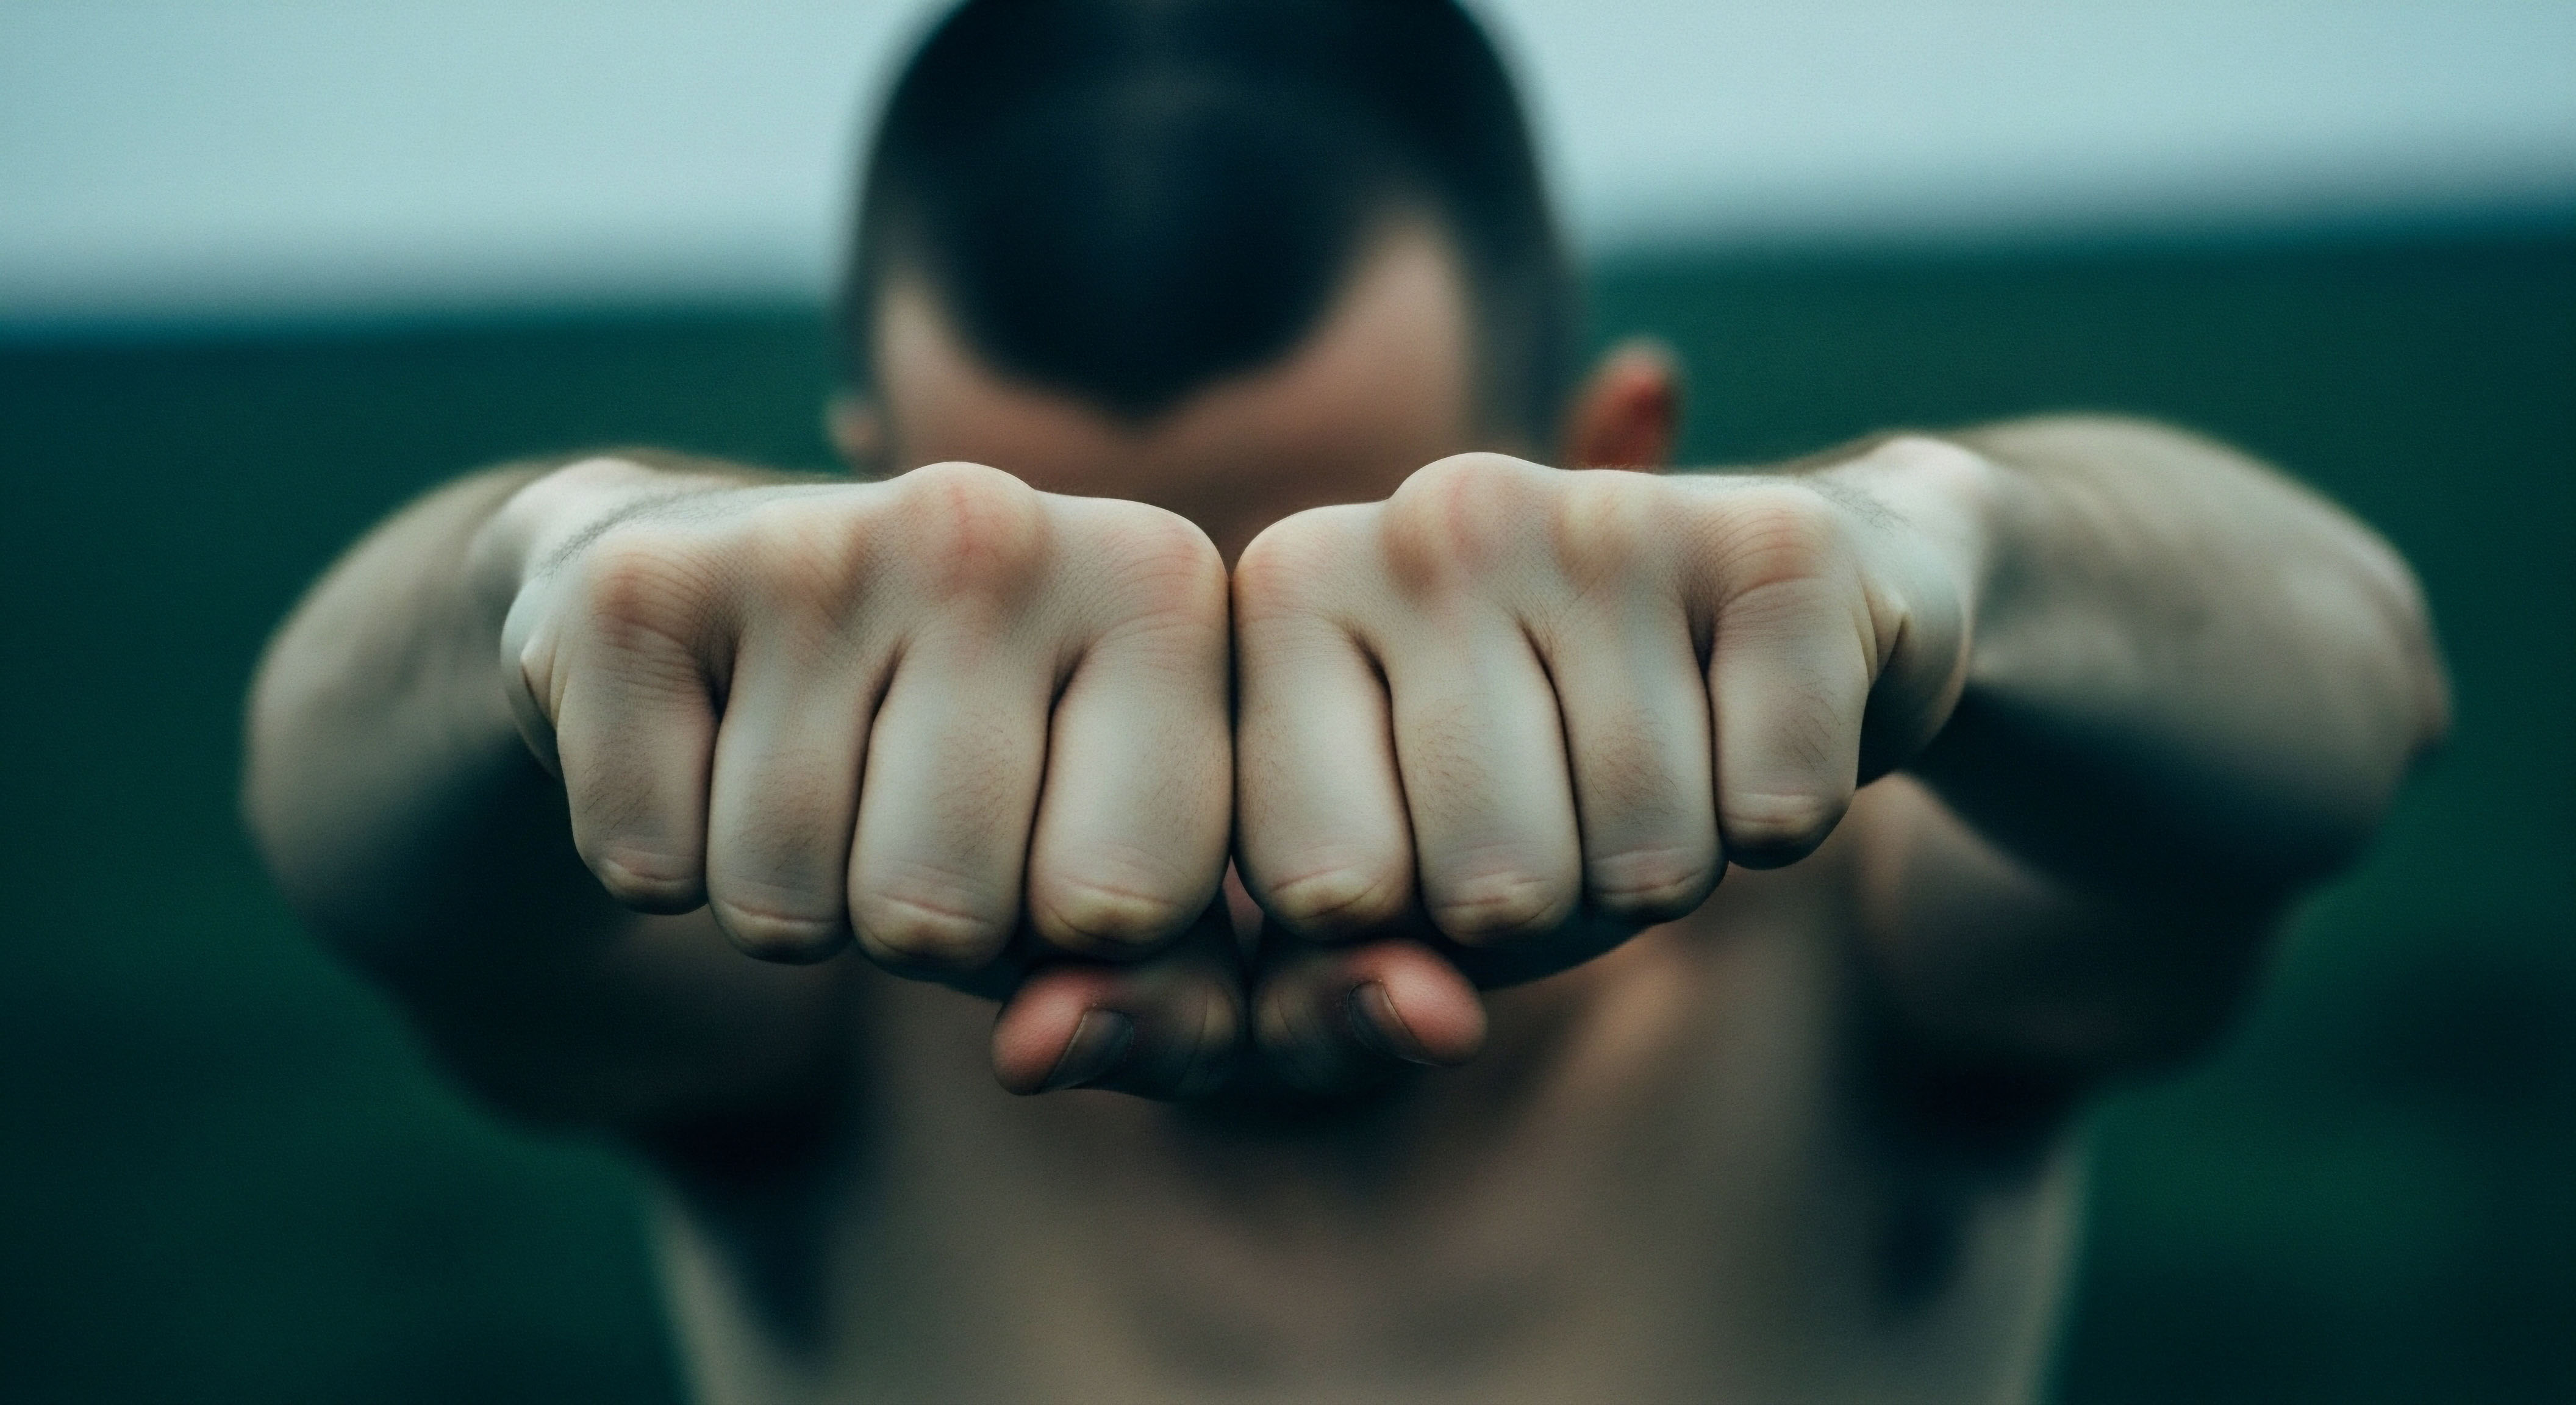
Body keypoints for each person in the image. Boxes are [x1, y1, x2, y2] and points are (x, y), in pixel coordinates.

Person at [242, 1, 2449, 1400]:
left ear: (1612, 478)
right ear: (872, 536)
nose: (1197, 759)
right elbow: (353, 835)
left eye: (1356, 595)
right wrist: (550, 579)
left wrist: (1944, 552)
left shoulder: (1858, 931)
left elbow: (2337, 696)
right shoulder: (802, 990)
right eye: (1043, 610)